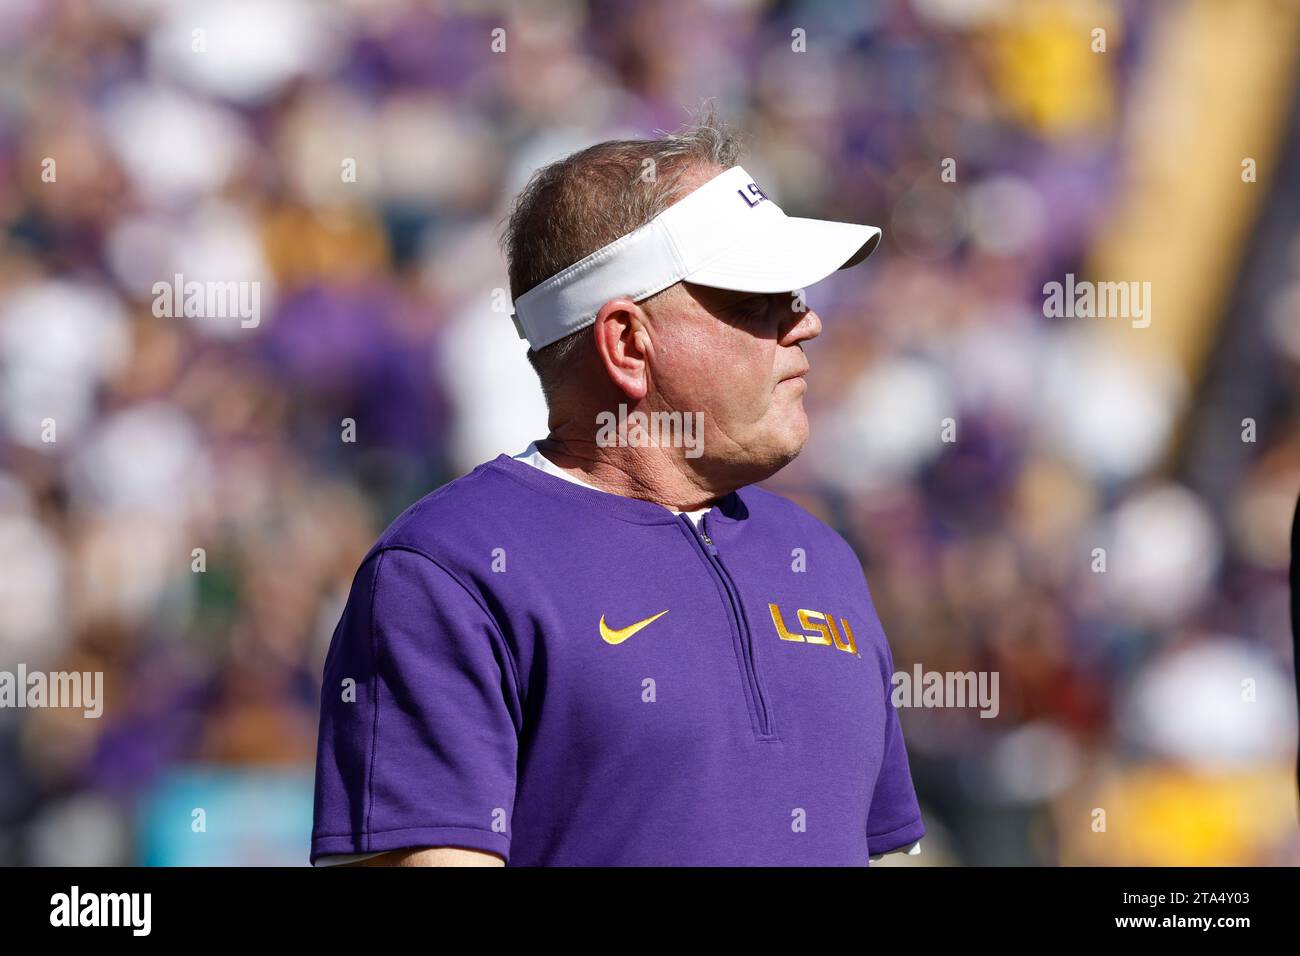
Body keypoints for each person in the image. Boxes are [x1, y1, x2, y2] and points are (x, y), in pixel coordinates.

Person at [310, 113, 925, 866]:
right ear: (628, 344)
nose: (806, 323)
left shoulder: (820, 559)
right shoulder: (449, 571)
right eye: (757, 300)